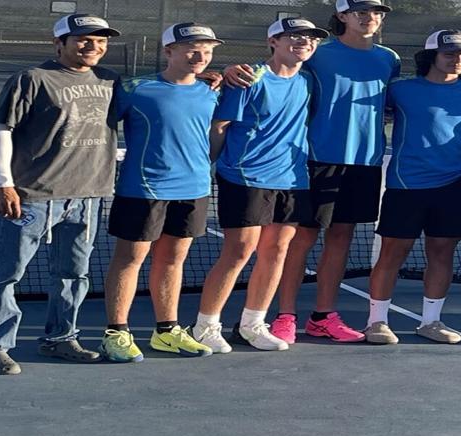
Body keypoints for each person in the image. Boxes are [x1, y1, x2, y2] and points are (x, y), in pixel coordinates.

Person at [0, 13, 122, 375]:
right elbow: (0, 128)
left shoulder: (111, 81)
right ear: (60, 43)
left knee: (73, 274)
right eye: (83, 39)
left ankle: (61, 338)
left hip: (87, 197)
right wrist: (2, 181)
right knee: (4, 273)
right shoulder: (32, 79)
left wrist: (209, 80)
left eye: (100, 40)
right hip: (31, 197)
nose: (93, 46)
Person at [362, 29, 461, 345]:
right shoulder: (400, 90)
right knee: (392, 254)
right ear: (431, 56)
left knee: (442, 254)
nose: (458, 60)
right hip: (406, 186)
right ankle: (376, 322)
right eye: (450, 54)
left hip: (455, 186)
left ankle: (430, 322)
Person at [192, 17, 327, 353]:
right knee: (239, 251)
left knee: (277, 250)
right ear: (273, 42)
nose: (304, 43)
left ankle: (253, 323)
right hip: (245, 176)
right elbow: (221, 126)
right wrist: (203, 167)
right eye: (294, 37)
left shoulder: (308, 82)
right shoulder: (248, 78)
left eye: (310, 38)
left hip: (293, 178)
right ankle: (205, 325)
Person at [267, 0, 396, 345]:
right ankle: (286, 315)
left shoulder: (389, 59)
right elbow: (280, 71)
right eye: (361, 12)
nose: (371, 18)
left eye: (377, 13)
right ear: (342, 16)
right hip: (318, 158)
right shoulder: (318, 53)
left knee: (341, 237)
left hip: (365, 161)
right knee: (302, 239)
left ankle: (323, 317)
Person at [97, 22, 224, 363]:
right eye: (192, 48)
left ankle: (167, 331)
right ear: (169, 51)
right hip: (143, 189)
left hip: (195, 188)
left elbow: (214, 134)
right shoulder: (135, 89)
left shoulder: (212, 90)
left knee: (173, 259)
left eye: (207, 50)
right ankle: (116, 333)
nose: (200, 56)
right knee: (129, 259)